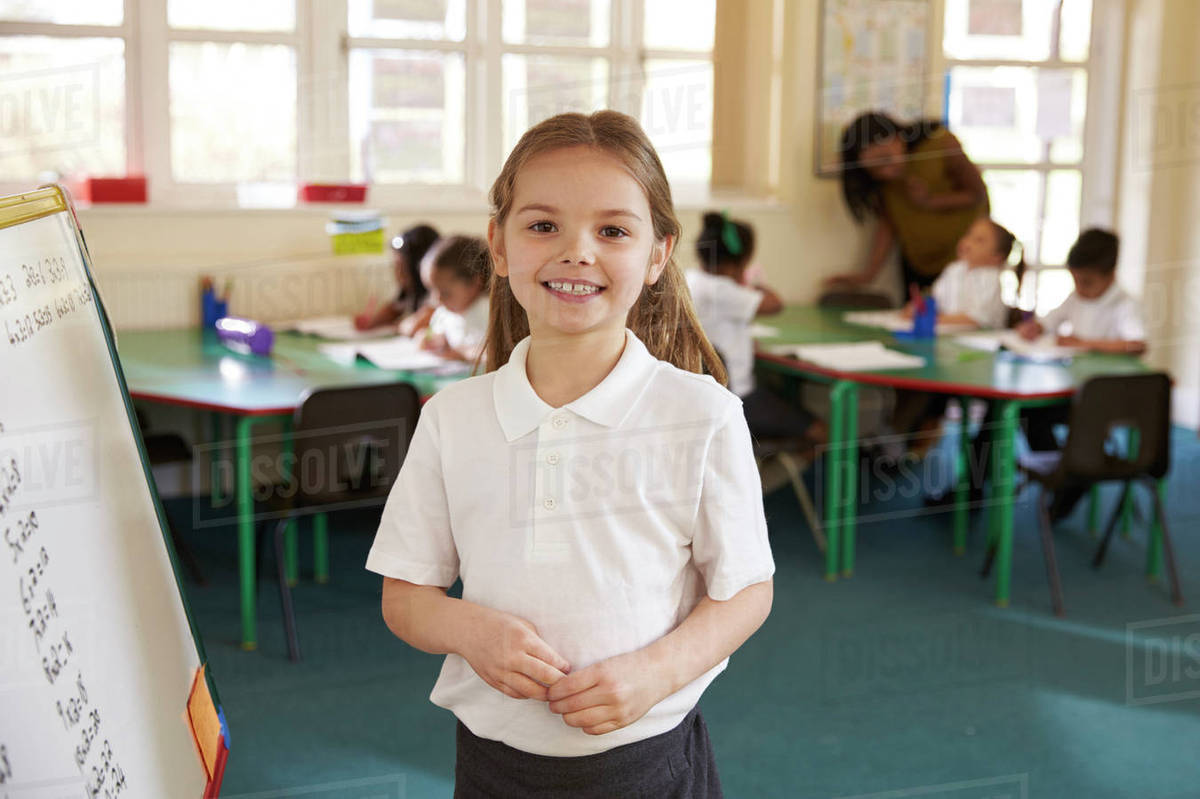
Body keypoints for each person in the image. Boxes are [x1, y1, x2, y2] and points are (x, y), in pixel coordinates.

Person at [367, 110, 774, 798]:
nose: (577, 252)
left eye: (612, 230)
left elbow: (746, 591)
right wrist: (468, 629)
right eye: (543, 226)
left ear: (657, 255)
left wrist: (656, 672)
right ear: (498, 246)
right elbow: (405, 596)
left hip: (649, 765)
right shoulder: (451, 420)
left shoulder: (703, 416)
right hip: (495, 768)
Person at [1016, 228, 1146, 521]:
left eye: (1087, 281)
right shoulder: (1075, 298)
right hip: (1072, 390)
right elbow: (1050, 321)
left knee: (1084, 420)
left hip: (1104, 399)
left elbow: (1136, 344)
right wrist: (1035, 327)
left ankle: (1072, 479)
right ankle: (1067, 474)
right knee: (1029, 413)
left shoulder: (1125, 304)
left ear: (1110, 275)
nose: (1080, 288)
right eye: (1075, 280)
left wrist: (1085, 343)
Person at [687, 211, 826, 445]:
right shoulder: (721, 290)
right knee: (821, 431)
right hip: (739, 396)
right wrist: (754, 281)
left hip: (705, 397)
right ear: (737, 263)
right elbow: (775, 304)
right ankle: (792, 468)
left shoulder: (691, 280)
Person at [825, 111, 989, 294]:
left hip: (962, 262)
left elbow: (978, 194)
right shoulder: (884, 183)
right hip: (918, 266)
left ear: (898, 138)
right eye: (875, 169)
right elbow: (888, 224)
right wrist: (868, 275)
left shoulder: (940, 144)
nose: (886, 172)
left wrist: (930, 201)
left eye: (885, 159)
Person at [354, 223, 439, 331]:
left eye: (402, 267)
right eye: (395, 266)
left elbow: (415, 326)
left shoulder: (438, 294)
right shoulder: (409, 293)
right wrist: (371, 322)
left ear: (419, 267)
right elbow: (393, 310)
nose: (397, 273)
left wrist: (398, 325)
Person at [421, 235, 492, 363]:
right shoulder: (444, 312)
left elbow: (497, 355)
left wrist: (462, 353)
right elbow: (434, 334)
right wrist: (429, 339)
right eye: (431, 290)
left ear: (475, 283)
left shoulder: (489, 310)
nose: (437, 300)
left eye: (445, 293)